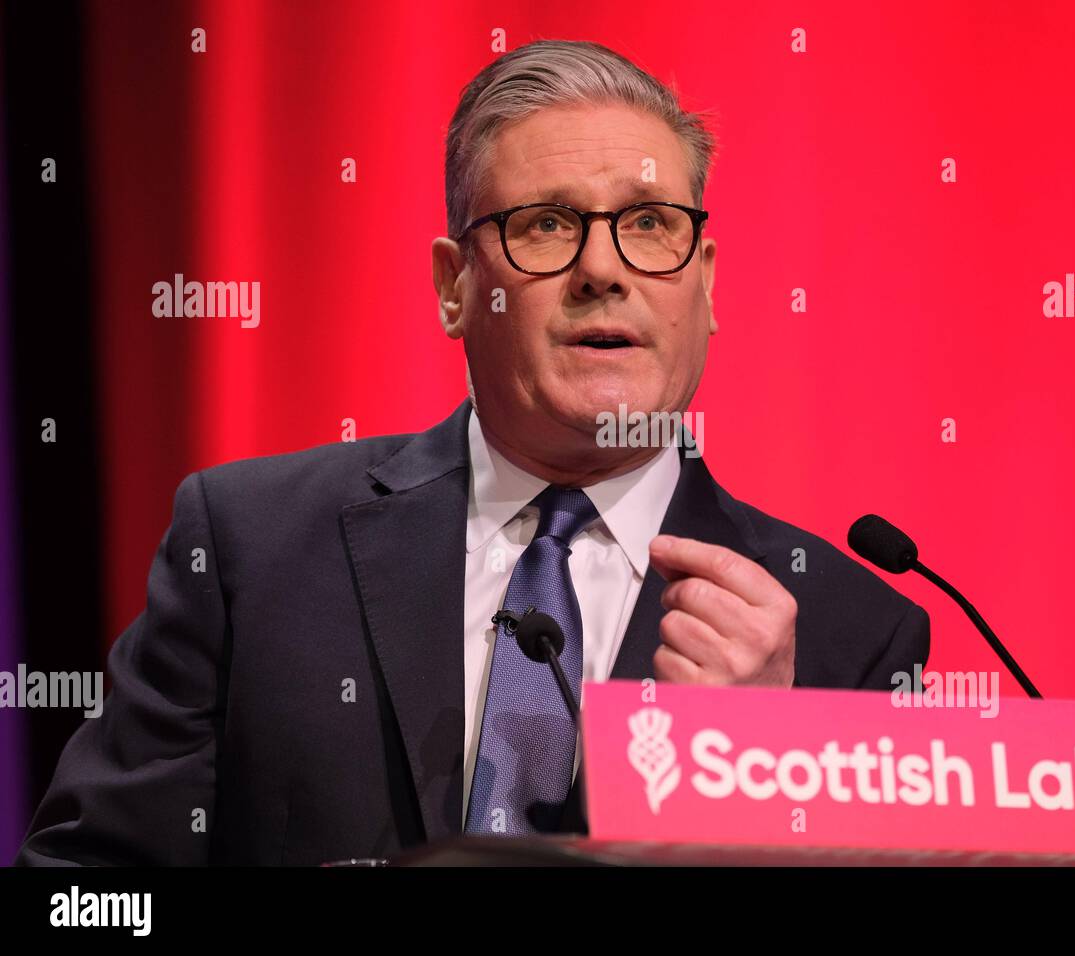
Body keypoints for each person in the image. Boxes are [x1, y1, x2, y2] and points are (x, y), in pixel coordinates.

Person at [16, 38, 928, 865]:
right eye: (546, 224)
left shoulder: (849, 640)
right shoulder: (251, 549)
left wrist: (756, 782)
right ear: (457, 288)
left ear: (707, 283)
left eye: (650, 223)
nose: (603, 270)